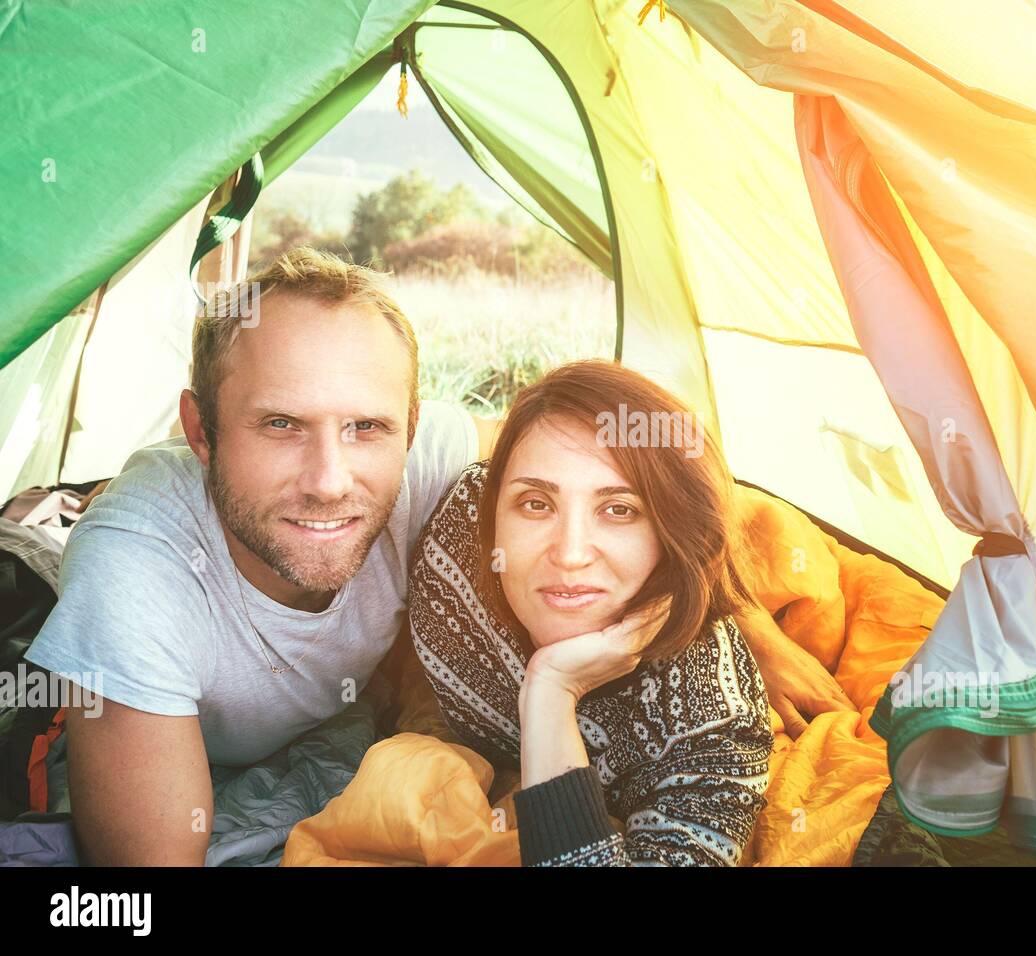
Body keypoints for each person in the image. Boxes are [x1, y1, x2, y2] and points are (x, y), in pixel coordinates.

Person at [26, 247, 848, 866]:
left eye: (366, 427)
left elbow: (604, 468)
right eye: (280, 424)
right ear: (199, 431)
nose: (329, 480)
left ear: (412, 430)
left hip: (340, 724)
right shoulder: (136, 567)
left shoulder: (442, 467)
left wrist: (733, 616)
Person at [408, 361, 776, 865]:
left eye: (619, 509)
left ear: (673, 535)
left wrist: (551, 692)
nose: (570, 553)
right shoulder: (461, 525)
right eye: (536, 504)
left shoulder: (714, 729)